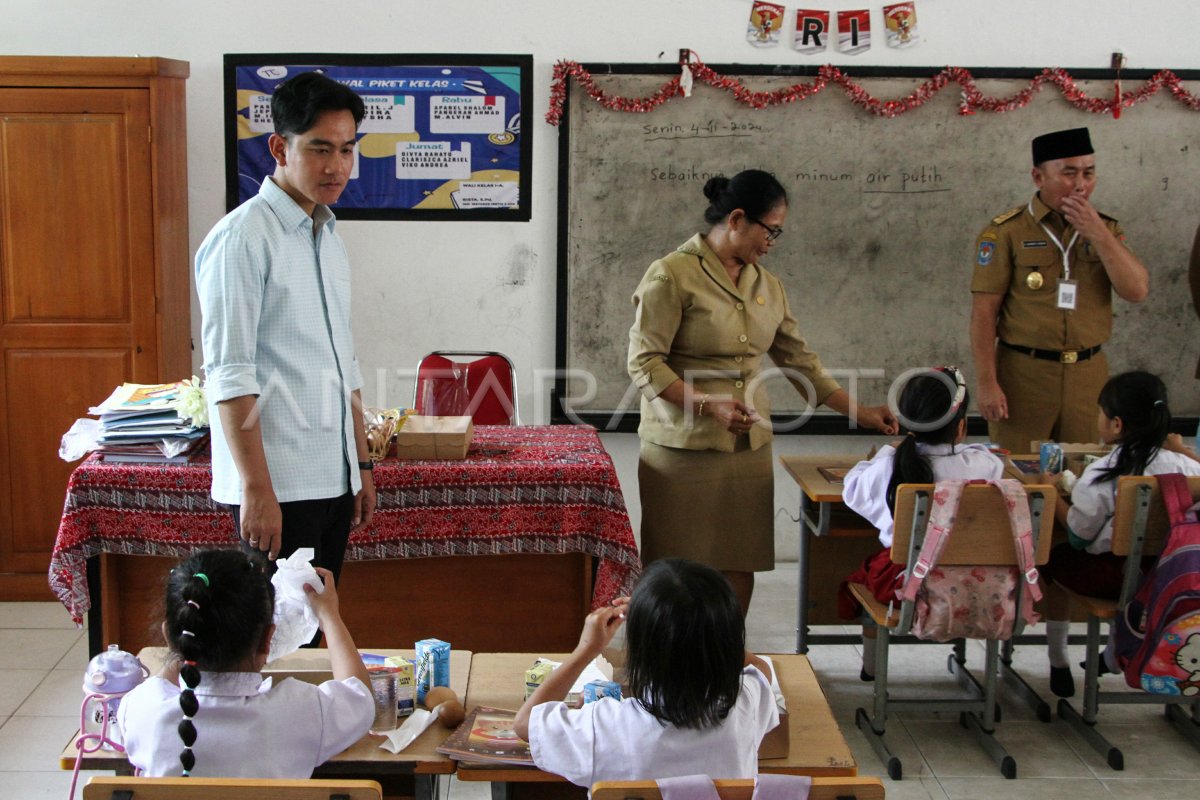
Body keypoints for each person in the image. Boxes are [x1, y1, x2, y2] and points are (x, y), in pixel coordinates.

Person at [628, 169, 897, 615]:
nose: (772, 241)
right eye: (770, 230)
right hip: (681, 450)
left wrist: (861, 413)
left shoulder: (767, 285)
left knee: (741, 560)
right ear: (736, 219)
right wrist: (707, 405)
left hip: (746, 447)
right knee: (671, 570)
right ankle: (659, 666)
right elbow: (644, 362)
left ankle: (728, 661)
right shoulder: (670, 275)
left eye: (778, 232)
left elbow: (800, 362)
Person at [196, 71, 375, 577]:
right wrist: (256, 490)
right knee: (278, 644)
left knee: (319, 638)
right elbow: (230, 374)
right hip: (280, 485)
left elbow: (345, 361)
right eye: (321, 149)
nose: (337, 166)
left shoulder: (326, 234)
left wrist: (360, 467)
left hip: (332, 477)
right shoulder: (243, 239)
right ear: (279, 147)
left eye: (347, 149)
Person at [513, 559, 779, 786]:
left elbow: (525, 723)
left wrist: (586, 649)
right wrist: (708, 627)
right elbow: (761, 670)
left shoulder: (605, 725)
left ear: (642, 648)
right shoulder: (743, 706)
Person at [117, 549, 374, 777]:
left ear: (170, 636)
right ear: (267, 641)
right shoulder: (301, 710)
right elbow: (361, 698)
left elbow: (154, 689)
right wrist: (330, 619)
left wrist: (179, 649)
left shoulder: (140, 709)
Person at [970, 127, 1149, 454]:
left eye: (1088, 173)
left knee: (1084, 472)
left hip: (1088, 373)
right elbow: (984, 314)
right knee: (1018, 471)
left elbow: (1136, 290)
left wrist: (1099, 235)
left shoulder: (1106, 228)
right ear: (1038, 177)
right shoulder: (1006, 232)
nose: (1081, 184)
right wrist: (986, 382)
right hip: (1024, 374)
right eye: (1069, 173)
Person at [1040, 371, 1200, 698]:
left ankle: (1058, 659)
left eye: (1100, 412)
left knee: (1052, 556)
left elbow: (1078, 534)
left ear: (1116, 425)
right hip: (1172, 578)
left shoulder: (1104, 471)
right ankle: (1113, 651)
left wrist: (1050, 492)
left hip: (1115, 577)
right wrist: (1183, 452)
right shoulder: (1188, 469)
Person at [838, 366, 1004, 680]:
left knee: (862, 573)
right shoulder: (985, 464)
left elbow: (852, 490)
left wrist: (880, 455)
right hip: (975, 582)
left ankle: (872, 668)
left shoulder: (891, 463)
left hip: (906, 583)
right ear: (961, 427)